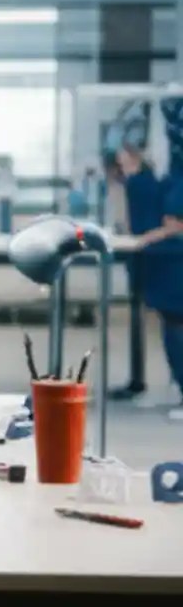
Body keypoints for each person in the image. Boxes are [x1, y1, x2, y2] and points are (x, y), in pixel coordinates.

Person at [124, 144, 183, 419]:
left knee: (176, 328)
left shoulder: (174, 180)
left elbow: (176, 224)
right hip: (164, 258)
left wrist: (145, 239)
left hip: (174, 258)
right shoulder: (162, 179)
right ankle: (178, 386)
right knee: (170, 326)